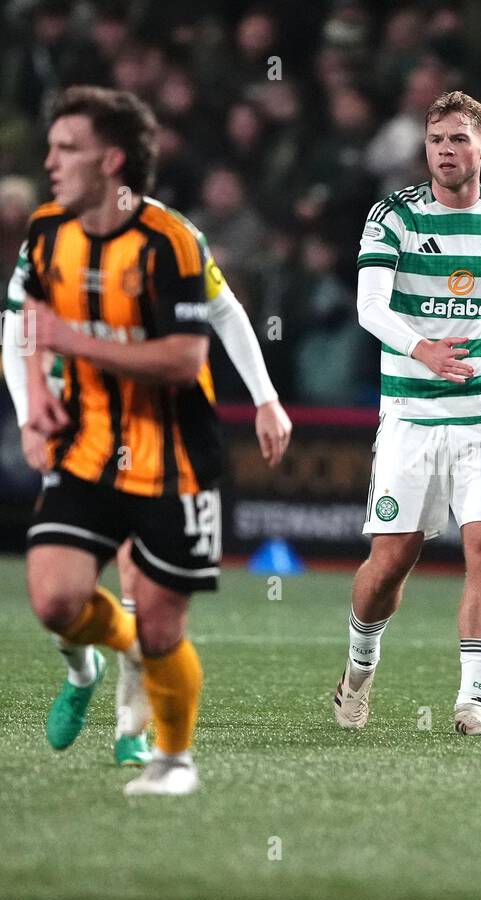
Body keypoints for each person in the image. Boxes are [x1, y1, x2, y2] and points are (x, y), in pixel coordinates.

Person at [15, 85, 291, 795]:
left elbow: (191, 352)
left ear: (111, 161)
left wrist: (265, 398)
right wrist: (35, 399)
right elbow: (29, 314)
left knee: (158, 619)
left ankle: (162, 751)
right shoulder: (48, 232)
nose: (48, 161)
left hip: (172, 457)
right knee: (55, 599)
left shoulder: (171, 242)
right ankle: (91, 666)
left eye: (65, 148)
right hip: (85, 445)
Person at [334, 90, 481, 737]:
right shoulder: (393, 217)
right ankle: (358, 668)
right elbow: (370, 307)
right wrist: (422, 347)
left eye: (458, 139)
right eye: (436, 140)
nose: (445, 150)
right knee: (389, 566)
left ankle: (471, 702)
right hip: (410, 412)